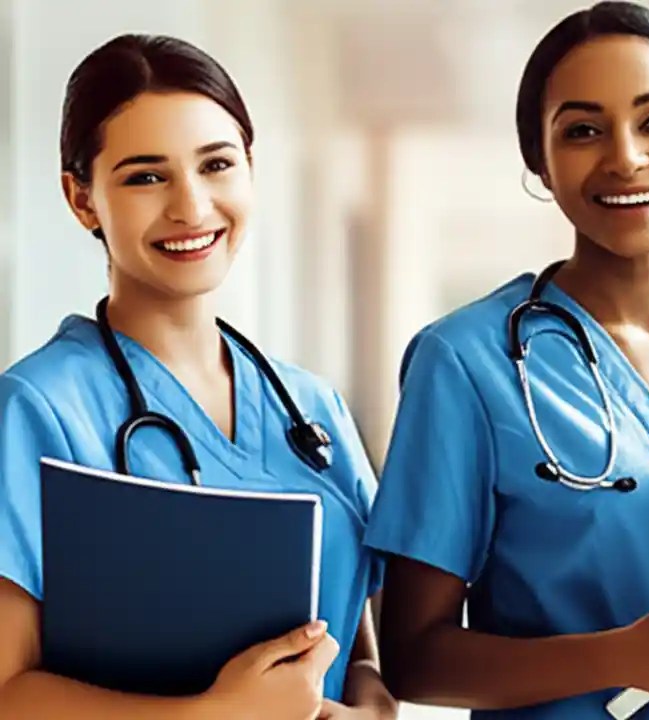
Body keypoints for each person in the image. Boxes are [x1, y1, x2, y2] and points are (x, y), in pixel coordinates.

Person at [364, 2, 649, 717]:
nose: (625, 157)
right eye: (583, 130)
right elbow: (414, 659)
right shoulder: (463, 363)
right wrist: (622, 655)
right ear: (538, 160)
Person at [0, 34, 395, 720]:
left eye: (216, 165)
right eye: (145, 175)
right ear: (82, 198)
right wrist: (213, 715)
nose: (191, 206)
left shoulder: (310, 408)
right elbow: (7, 691)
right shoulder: (38, 408)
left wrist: (374, 710)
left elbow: (358, 651)